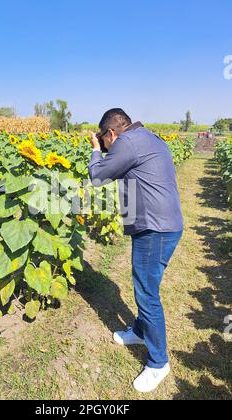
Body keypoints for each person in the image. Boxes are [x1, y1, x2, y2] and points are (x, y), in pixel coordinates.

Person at [88, 108, 184, 393]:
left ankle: (158, 363)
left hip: (154, 228)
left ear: (111, 133)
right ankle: (141, 332)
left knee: (146, 292)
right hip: (165, 225)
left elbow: (98, 176)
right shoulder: (151, 138)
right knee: (146, 284)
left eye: (104, 142)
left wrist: (95, 151)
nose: (105, 147)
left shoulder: (126, 143)